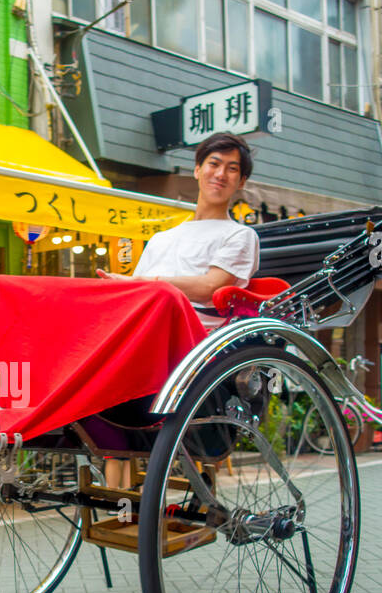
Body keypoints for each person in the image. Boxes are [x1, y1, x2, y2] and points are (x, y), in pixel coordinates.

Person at [97, 131, 261, 488]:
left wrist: (149, 283)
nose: (221, 174)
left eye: (232, 169)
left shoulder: (239, 236)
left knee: (158, 299)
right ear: (197, 169)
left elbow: (210, 286)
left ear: (241, 181)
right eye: (214, 164)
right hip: (148, 332)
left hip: (194, 343)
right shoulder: (161, 239)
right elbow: (138, 296)